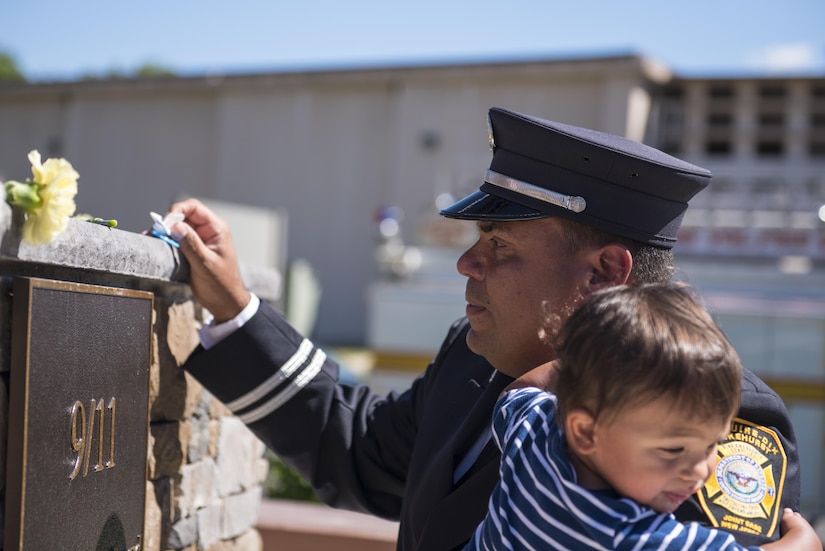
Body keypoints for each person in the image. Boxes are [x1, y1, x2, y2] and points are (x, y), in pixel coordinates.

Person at [166, 107, 804, 549]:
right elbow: (363, 453)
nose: (467, 262)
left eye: (501, 245)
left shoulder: (718, 415)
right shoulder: (478, 357)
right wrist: (237, 308)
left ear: (606, 271)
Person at [465, 283, 819, 550]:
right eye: (672, 450)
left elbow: (517, 393)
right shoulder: (637, 537)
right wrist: (805, 543)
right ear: (585, 432)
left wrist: (595, 365)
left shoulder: (534, 437)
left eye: (712, 445)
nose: (700, 470)